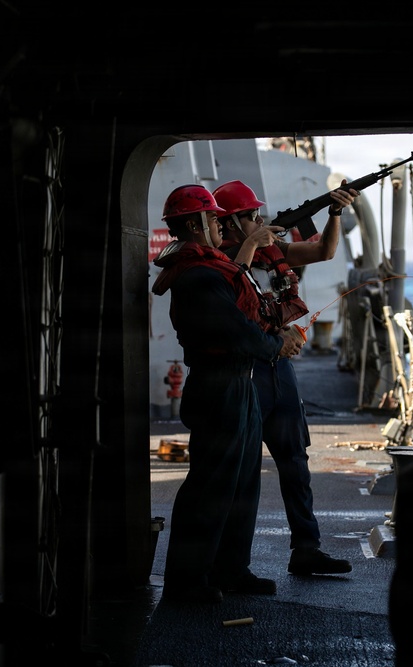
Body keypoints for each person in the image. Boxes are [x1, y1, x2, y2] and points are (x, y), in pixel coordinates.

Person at [151, 184, 304, 604]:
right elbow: (235, 331)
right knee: (211, 486)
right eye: (214, 219)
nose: (220, 224)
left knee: (241, 483)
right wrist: (278, 344)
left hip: (238, 381)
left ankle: (231, 569)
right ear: (196, 225)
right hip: (220, 384)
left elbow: (245, 319)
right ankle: (185, 583)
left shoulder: (211, 267)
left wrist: (275, 335)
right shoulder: (199, 276)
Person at [213, 179, 359, 576]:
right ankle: (230, 564)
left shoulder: (274, 253)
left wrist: (334, 212)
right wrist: (251, 244)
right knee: (241, 470)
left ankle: (307, 548)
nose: (259, 220)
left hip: (280, 371)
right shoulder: (218, 260)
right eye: (251, 216)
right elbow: (227, 295)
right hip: (246, 371)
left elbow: (325, 251)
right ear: (229, 222)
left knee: (295, 460)